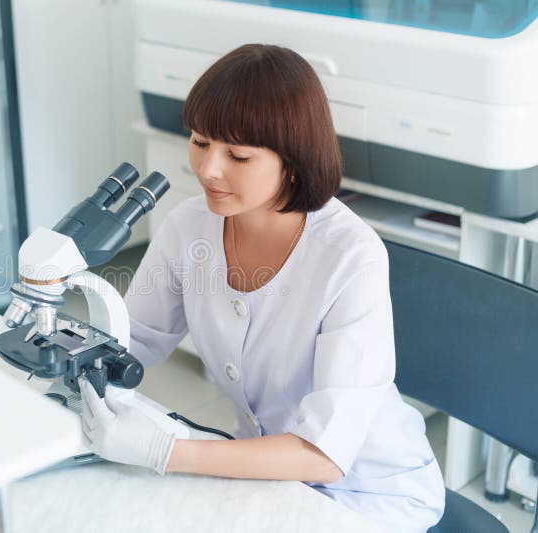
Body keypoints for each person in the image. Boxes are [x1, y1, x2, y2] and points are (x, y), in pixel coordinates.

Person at [79, 44, 445, 532]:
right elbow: (132, 340)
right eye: (200, 142)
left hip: (367, 491)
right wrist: (70, 361)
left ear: (293, 160)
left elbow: (324, 454)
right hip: (263, 472)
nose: (208, 168)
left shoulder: (351, 256)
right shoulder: (188, 226)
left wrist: (168, 451)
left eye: (238, 155)